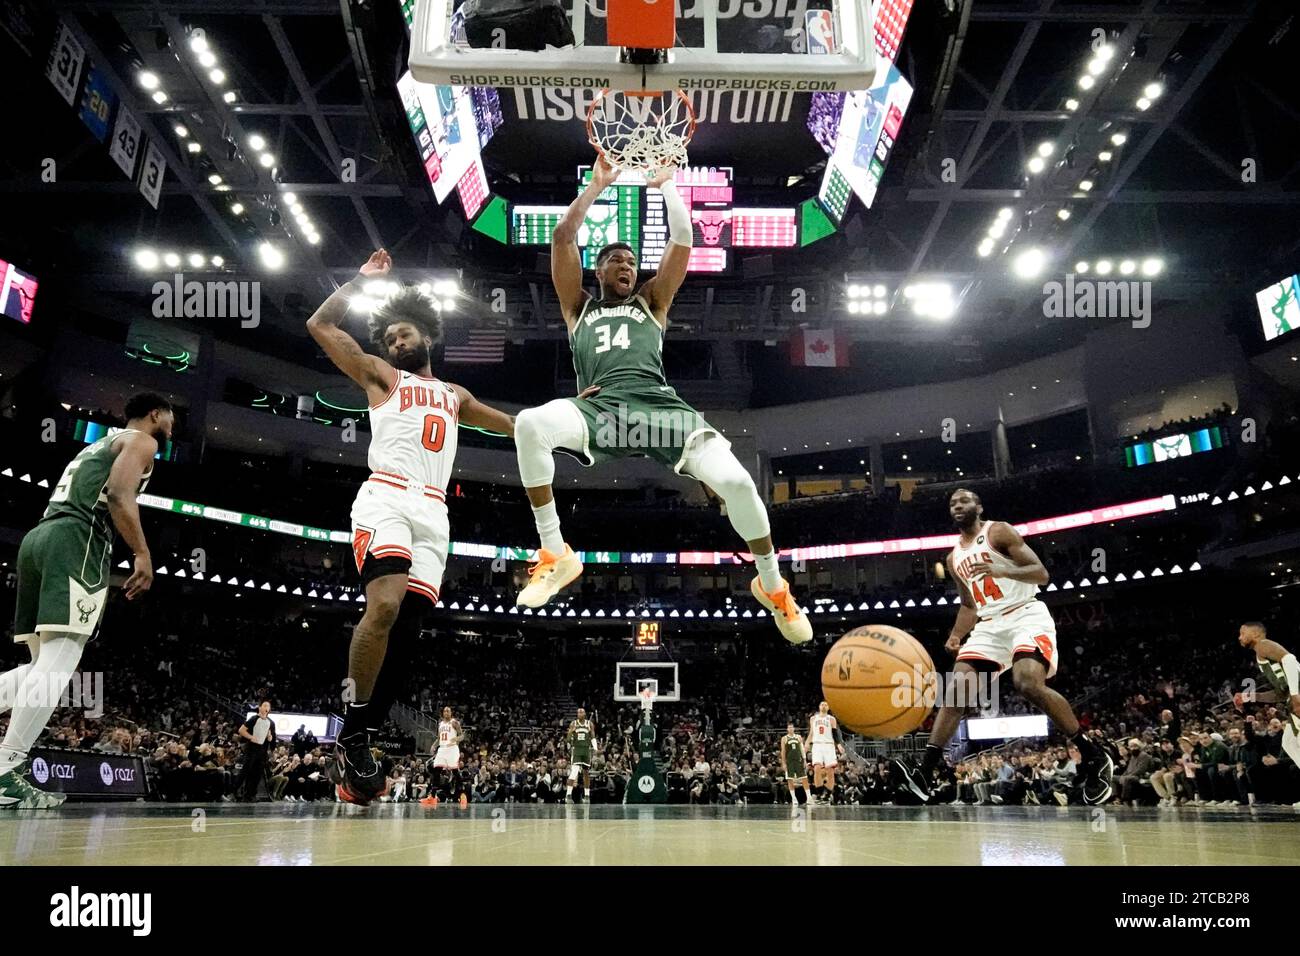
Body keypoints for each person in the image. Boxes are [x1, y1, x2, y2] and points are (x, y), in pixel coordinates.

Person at [510, 155, 811, 645]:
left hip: (661, 409)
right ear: (600, 270)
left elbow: (683, 242)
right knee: (529, 425)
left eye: (631, 261)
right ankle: (555, 552)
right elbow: (563, 239)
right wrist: (596, 186)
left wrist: (668, 186)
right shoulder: (577, 308)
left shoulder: (653, 302)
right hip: (600, 409)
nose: (626, 265)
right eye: (616, 260)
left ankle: (773, 587)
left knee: (737, 482)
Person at [305, 249, 515, 805]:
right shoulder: (379, 375)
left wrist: (575, 417)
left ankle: (360, 741)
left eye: (405, 335)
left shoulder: (455, 395)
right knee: (385, 607)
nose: (397, 343)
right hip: (387, 497)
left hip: (435, 513)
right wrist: (359, 280)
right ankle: (351, 725)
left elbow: (517, 427)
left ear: (427, 335)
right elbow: (320, 325)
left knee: (409, 631)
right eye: (391, 338)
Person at [0, 393, 172, 809]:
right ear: (155, 414)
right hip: (78, 539)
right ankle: (7, 769)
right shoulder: (142, 441)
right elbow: (117, 493)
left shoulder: (99, 442)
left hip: (40, 536)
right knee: (60, 663)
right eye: (171, 419)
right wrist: (143, 553)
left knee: (40, 666)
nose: (172, 429)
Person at [891, 489, 1113, 806]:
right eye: (952, 503)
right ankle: (924, 773)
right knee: (956, 694)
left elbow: (1041, 574)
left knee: (1026, 683)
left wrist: (1001, 569)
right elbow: (969, 604)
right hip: (989, 625)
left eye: (964, 501)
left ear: (978, 507)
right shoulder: (954, 558)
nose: (958, 506)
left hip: (1025, 614)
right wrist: (956, 635)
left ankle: (1093, 755)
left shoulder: (998, 531)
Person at [421, 706, 464, 807]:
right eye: (445, 711)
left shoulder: (454, 722)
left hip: (452, 748)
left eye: (448, 711)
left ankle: (462, 794)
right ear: (443, 713)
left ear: (451, 713)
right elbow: (439, 738)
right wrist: (434, 745)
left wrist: (456, 739)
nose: (446, 712)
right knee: (436, 771)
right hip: (442, 749)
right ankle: (432, 797)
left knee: (455, 771)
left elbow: (462, 736)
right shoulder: (440, 724)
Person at [236, 700, 278, 802]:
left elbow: (272, 738)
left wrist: (271, 742)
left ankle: (250, 795)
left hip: (262, 752)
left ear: (269, 710)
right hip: (251, 750)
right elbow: (241, 730)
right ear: (260, 708)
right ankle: (234, 791)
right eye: (264, 705)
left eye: (268, 706)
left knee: (257, 774)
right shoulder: (254, 719)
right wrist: (251, 737)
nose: (266, 707)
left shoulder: (271, 723)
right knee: (245, 771)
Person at [806, 702, 844, 805]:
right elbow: (811, 733)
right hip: (817, 745)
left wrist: (839, 745)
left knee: (830, 772)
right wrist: (806, 744)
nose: (824, 706)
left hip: (829, 745)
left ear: (828, 708)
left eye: (826, 705)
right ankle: (820, 793)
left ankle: (826, 796)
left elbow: (835, 733)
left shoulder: (831, 719)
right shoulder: (813, 718)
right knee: (817, 769)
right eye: (822, 704)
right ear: (819, 707)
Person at [779, 722, 813, 812]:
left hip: (799, 760)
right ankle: (794, 799)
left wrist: (805, 760)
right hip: (789, 761)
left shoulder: (798, 737)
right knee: (790, 780)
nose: (790, 729)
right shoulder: (784, 738)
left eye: (792, 727)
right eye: (789, 727)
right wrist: (783, 763)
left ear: (794, 729)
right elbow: (783, 751)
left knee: (804, 778)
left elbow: (802, 749)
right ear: (787, 729)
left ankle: (809, 797)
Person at [565, 708, 596, 803]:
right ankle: (568, 796)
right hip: (577, 750)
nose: (579, 713)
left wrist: (595, 748)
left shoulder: (589, 724)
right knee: (574, 772)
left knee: (586, 773)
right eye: (578, 712)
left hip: (586, 750)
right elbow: (568, 739)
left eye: (582, 711)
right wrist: (571, 732)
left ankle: (587, 796)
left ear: (585, 714)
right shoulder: (573, 724)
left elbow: (593, 737)